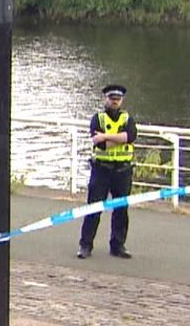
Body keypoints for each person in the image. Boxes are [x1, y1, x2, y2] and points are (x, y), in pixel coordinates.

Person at [77, 84, 138, 260]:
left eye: (118, 99)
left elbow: (130, 136)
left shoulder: (128, 119)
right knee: (94, 208)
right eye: (112, 98)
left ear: (122, 101)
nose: (115, 101)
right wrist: (117, 139)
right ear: (106, 99)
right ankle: (85, 245)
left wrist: (106, 136)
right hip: (102, 170)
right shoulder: (98, 119)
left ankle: (118, 246)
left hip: (123, 170)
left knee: (121, 210)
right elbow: (100, 144)